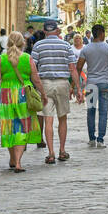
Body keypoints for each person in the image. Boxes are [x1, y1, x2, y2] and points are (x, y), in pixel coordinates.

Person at [0, 31, 45, 171]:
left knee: (9, 126)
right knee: (22, 127)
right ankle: (17, 162)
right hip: (23, 95)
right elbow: (36, 79)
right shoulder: (27, 58)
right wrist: (43, 94)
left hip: (5, 96)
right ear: (23, 43)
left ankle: (13, 158)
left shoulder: (2, 59)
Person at [31, 19, 83, 164]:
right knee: (62, 118)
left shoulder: (38, 45)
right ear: (57, 30)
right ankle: (62, 150)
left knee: (48, 119)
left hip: (45, 84)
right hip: (62, 83)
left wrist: (35, 86)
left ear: (45, 31)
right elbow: (72, 68)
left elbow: (33, 68)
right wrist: (78, 89)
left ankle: (51, 153)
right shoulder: (66, 45)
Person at [78, 24, 108, 147]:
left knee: (90, 111)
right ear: (101, 33)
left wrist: (78, 85)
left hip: (91, 84)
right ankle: (100, 139)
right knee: (103, 112)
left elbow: (78, 67)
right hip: (105, 83)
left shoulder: (86, 49)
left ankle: (91, 138)